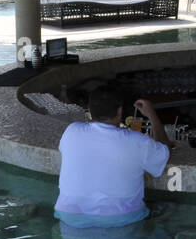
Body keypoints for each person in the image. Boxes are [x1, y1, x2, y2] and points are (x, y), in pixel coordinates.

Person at [55, 87, 172, 228]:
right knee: (169, 207)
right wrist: (152, 114)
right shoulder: (138, 142)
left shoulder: (71, 131)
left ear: (90, 111)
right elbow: (165, 151)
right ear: (120, 112)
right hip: (119, 218)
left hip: (69, 215)